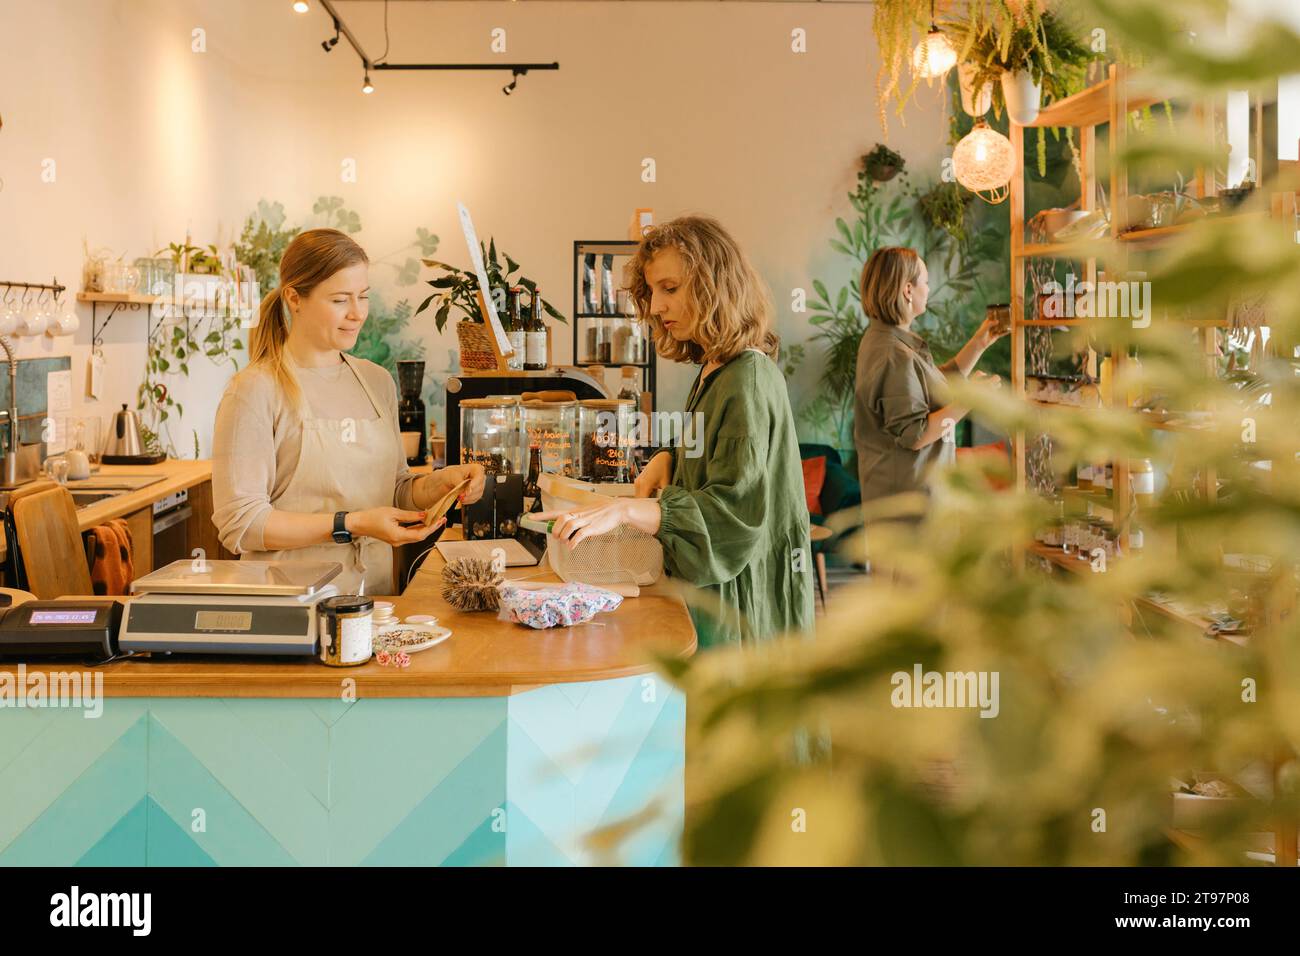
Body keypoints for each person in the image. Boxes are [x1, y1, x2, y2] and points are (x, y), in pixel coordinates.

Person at [537, 216, 814, 649]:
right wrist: (669, 455)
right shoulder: (717, 368)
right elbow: (716, 451)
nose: (657, 308)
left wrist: (624, 513)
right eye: (653, 293)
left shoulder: (749, 378)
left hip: (741, 606)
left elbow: (732, 516)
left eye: (671, 288)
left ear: (715, 284)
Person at [212, 228, 484, 594]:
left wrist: (442, 484)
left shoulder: (376, 382)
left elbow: (397, 490)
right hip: (292, 607)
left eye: (363, 297)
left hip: (375, 599)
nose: (357, 314)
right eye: (340, 300)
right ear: (295, 298)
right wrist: (351, 524)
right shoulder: (255, 390)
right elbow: (241, 525)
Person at [853, 246, 1006, 513]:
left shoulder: (887, 340)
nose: (929, 287)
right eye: (925, 281)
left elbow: (930, 390)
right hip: (911, 506)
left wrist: (979, 343)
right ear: (908, 290)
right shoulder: (894, 353)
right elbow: (916, 434)